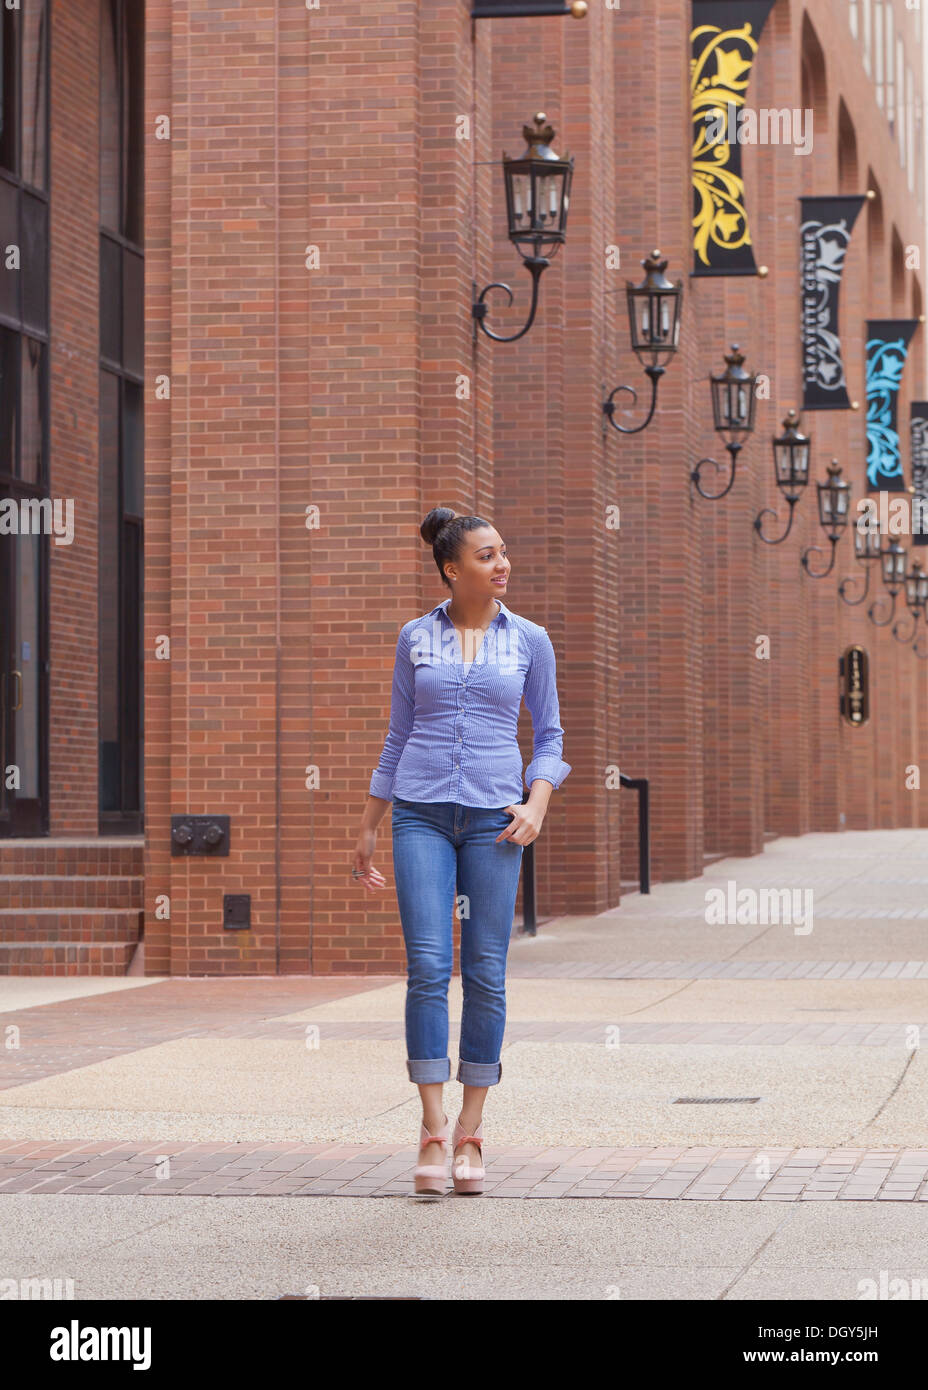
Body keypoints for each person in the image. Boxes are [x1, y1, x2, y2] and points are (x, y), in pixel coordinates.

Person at [352, 506, 571, 1197]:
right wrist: (368, 825)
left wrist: (537, 803)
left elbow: (552, 737)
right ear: (452, 568)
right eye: (486, 555)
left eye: (503, 552)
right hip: (417, 814)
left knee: (484, 969)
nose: (502, 564)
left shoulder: (530, 640)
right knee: (427, 963)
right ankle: (431, 1122)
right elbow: (397, 734)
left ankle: (473, 1129)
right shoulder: (415, 638)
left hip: (494, 820)